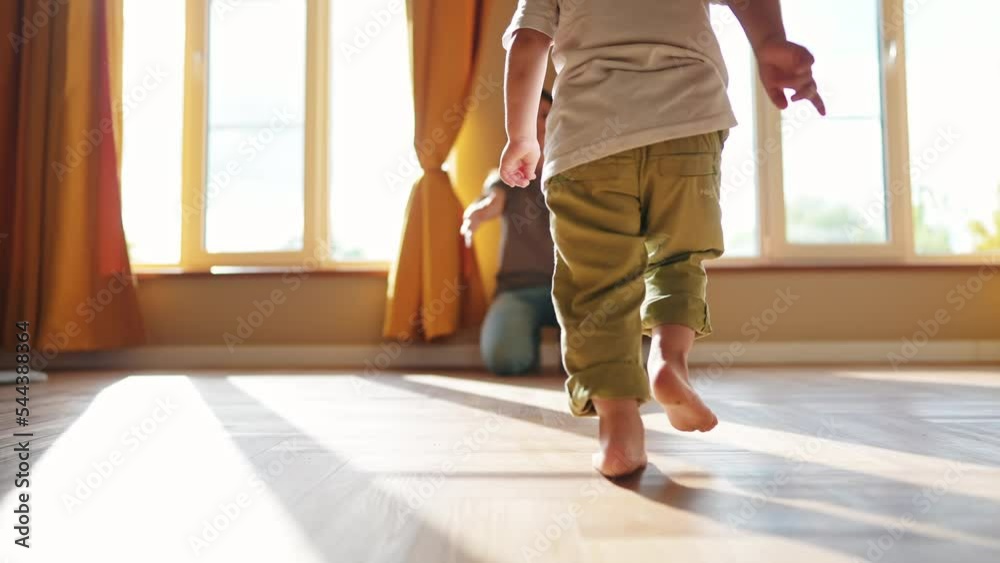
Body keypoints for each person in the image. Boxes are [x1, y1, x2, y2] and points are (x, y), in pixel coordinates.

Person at [499, 0, 825, 477]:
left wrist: (521, 135)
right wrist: (769, 42)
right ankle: (669, 361)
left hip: (587, 141)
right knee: (679, 257)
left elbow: (529, 42)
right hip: (687, 122)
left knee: (596, 288)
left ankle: (619, 428)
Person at [461, 91, 557, 376]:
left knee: (594, 365)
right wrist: (482, 210)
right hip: (519, 291)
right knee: (506, 360)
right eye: (533, 116)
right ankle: (526, 339)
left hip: (573, 291)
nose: (540, 124)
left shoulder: (577, 173)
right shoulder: (507, 176)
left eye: (545, 115)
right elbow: (494, 199)